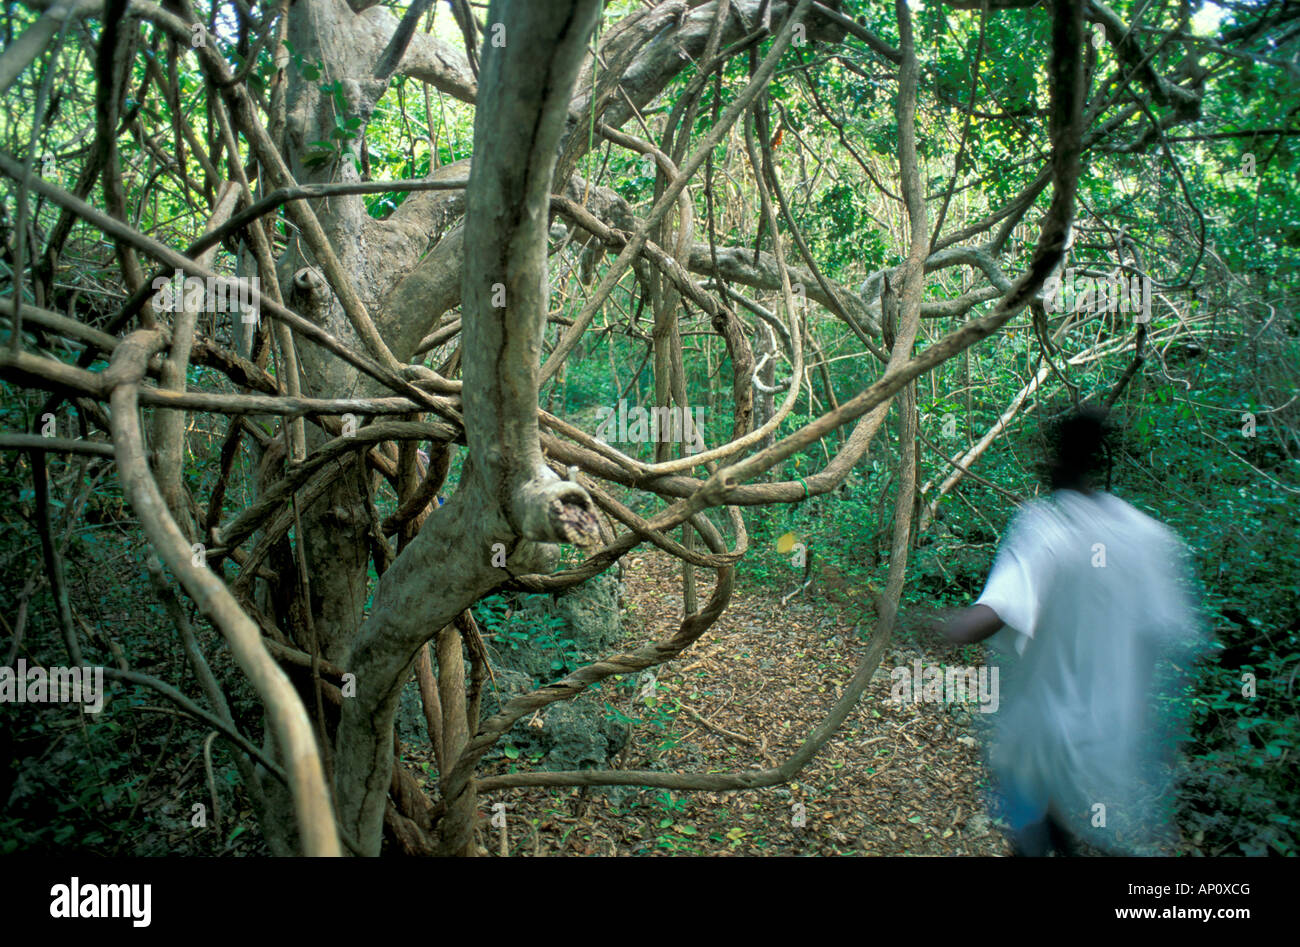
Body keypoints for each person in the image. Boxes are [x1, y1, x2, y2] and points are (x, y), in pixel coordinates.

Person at [941, 408, 1206, 856]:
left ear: (1057, 459)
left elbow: (992, 614)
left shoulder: (1046, 527)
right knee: (1056, 822)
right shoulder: (1149, 538)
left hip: (1042, 734)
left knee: (1028, 818)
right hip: (1107, 739)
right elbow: (1171, 636)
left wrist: (927, 622)